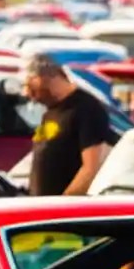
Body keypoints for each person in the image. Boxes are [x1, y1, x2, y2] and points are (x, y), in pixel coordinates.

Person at [24, 54, 115, 196]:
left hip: (61, 210)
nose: (27, 94)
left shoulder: (86, 109)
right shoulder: (50, 112)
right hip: (40, 207)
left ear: (48, 77)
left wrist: (64, 203)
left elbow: (91, 168)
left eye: (31, 87)